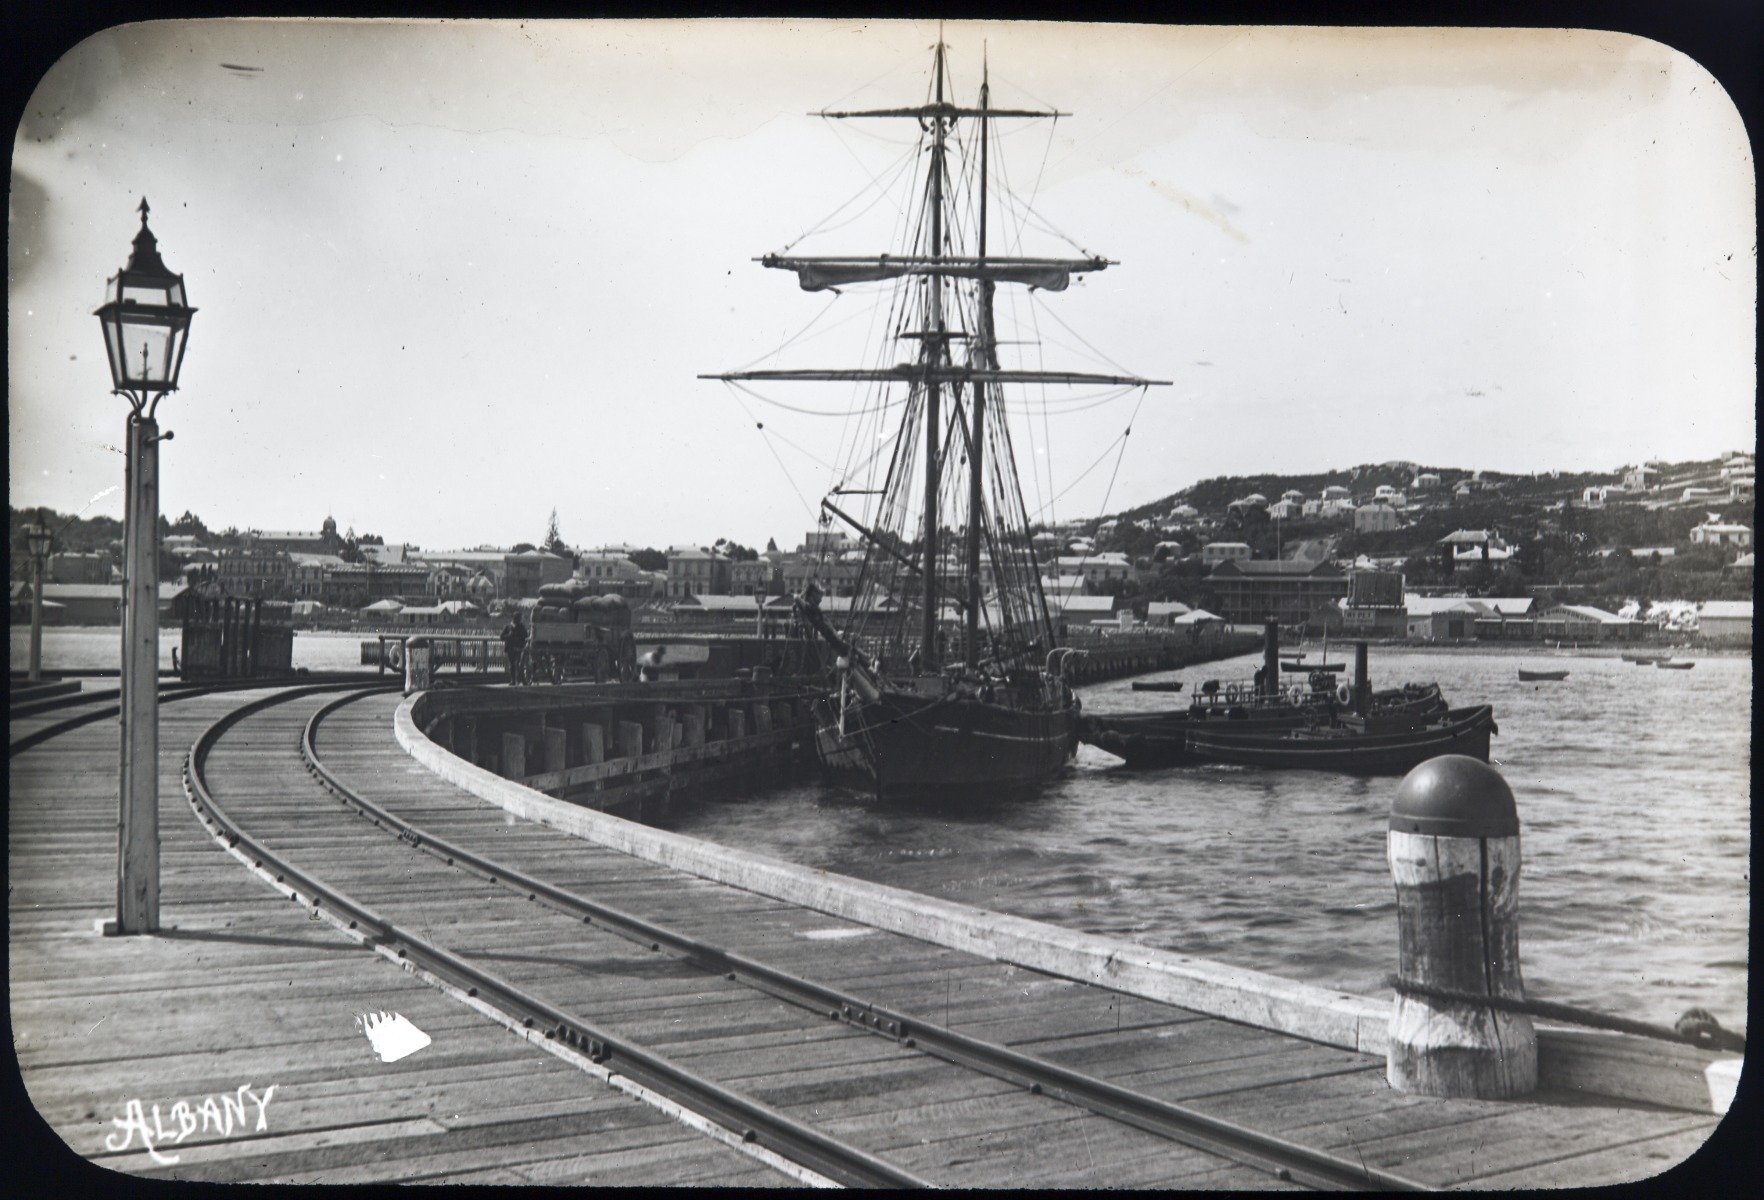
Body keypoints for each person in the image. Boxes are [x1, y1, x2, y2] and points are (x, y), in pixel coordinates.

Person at [499, 611, 528, 685]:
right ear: (514, 618)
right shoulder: (508, 627)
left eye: (519, 618)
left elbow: (526, 636)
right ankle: (513, 680)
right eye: (517, 618)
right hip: (510, 648)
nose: (518, 620)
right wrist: (509, 635)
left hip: (519, 648)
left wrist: (521, 641)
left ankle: (521, 679)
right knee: (512, 665)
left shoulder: (521, 626)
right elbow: (501, 637)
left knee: (518, 664)